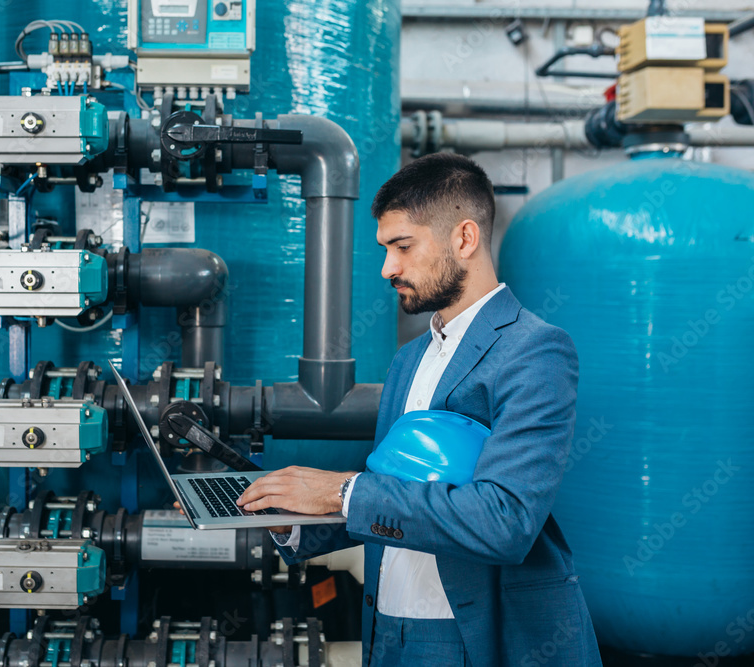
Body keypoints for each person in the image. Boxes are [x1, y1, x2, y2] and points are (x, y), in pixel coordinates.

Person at [236, 153, 603, 666]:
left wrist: (341, 491)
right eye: (386, 249)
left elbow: (506, 521)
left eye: (403, 246)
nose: (388, 268)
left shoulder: (534, 350)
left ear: (464, 238)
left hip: (471, 636)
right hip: (386, 628)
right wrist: (289, 517)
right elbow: (387, 498)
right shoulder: (409, 359)